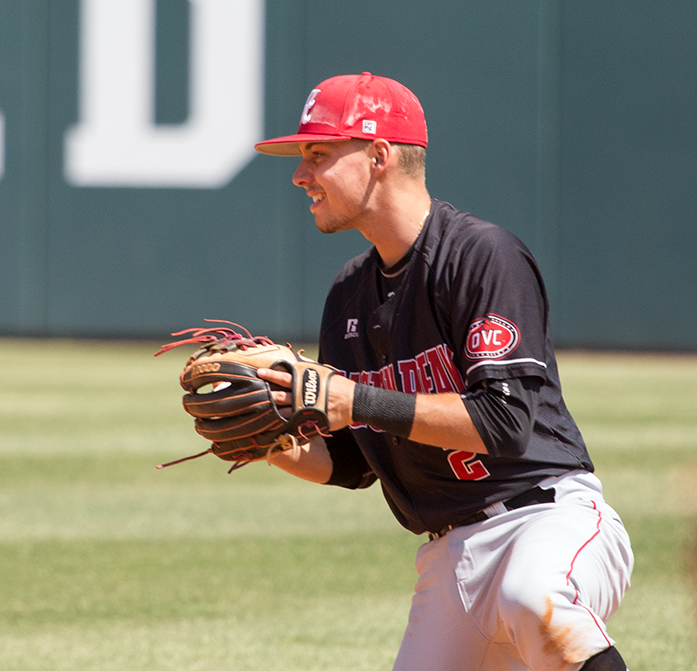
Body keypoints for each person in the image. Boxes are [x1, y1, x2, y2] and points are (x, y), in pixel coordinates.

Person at [252, 72, 634, 671]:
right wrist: (269, 443)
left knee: (535, 600)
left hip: (545, 518)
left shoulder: (482, 256)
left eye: (318, 154)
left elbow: (504, 423)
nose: (301, 174)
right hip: (448, 556)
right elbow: (356, 462)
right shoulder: (348, 294)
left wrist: (353, 399)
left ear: (378, 155)